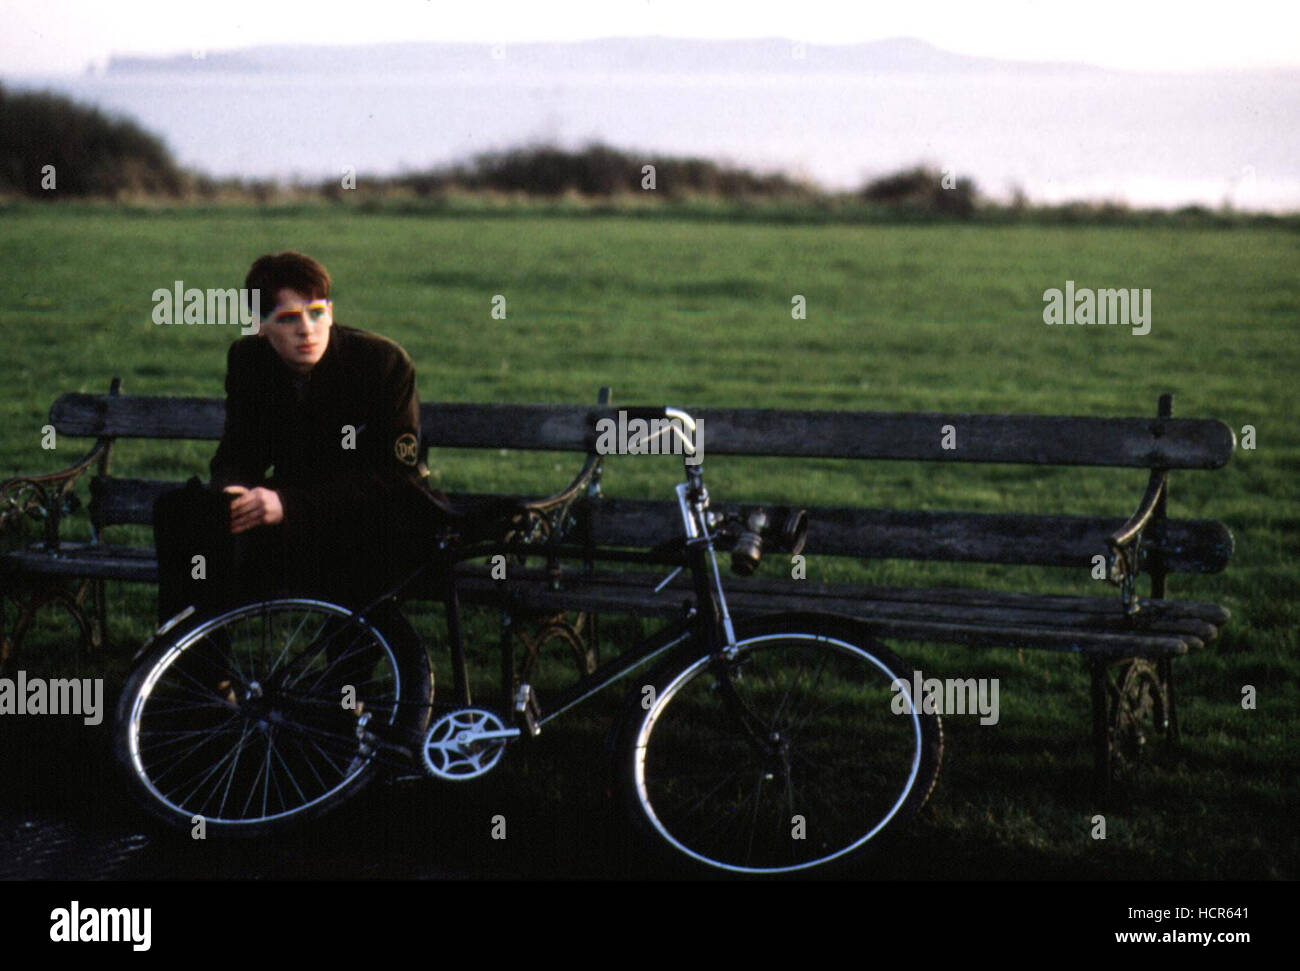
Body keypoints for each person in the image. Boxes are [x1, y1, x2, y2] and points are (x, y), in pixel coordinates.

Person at [152, 251, 457, 625]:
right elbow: (237, 452)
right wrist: (232, 491)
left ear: (330, 311)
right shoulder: (249, 359)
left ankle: (349, 680)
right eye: (288, 318)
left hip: (370, 518)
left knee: (371, 545)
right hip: (289, 520)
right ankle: (202, 669)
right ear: (259, 325)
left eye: (316, 313)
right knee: (183, 513)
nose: (307, 330)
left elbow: (396, 477)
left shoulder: (381, 363)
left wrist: (289, 504)